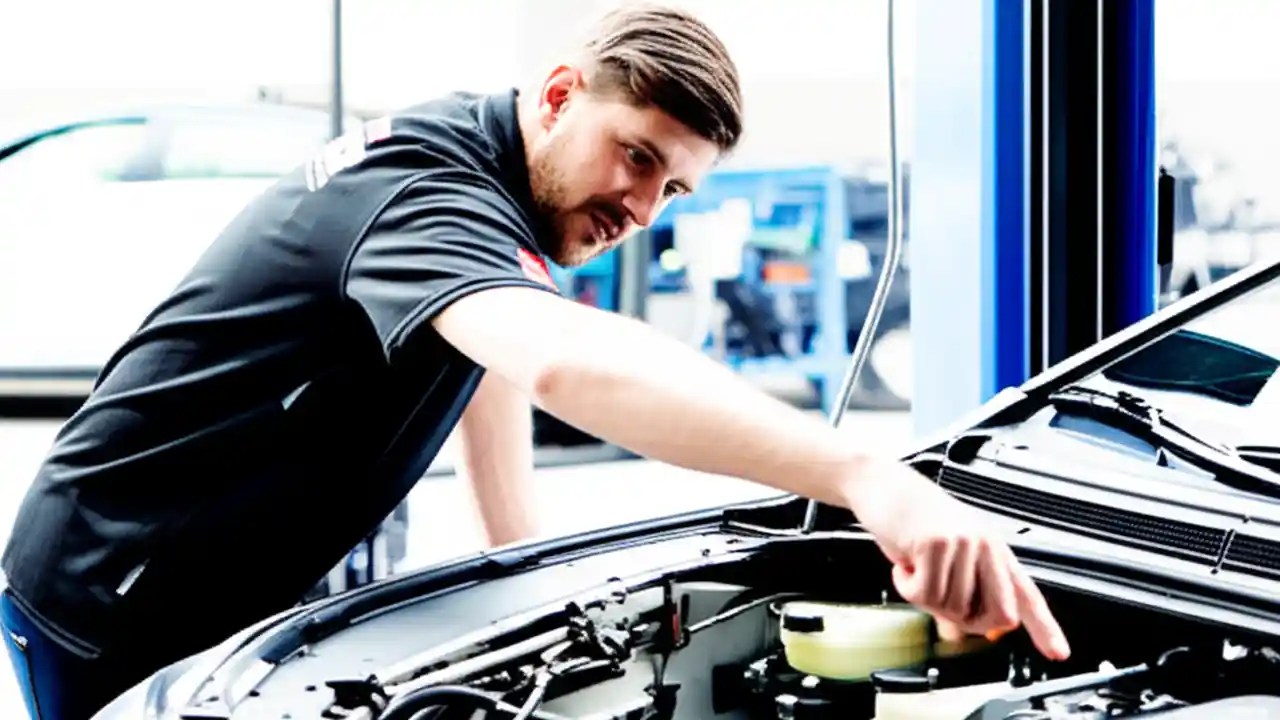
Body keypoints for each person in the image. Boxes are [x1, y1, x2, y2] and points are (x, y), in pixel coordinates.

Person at [0, 3, 1070, 718]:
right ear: (559, 94)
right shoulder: (428, 191)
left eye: (674, 192)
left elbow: (491, 367)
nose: (640, 209)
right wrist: (862, 477)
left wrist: (524, 569)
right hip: (118, 590)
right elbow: (560, 364)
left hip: (229, 569)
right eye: (636, 157)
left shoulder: (500, 188)